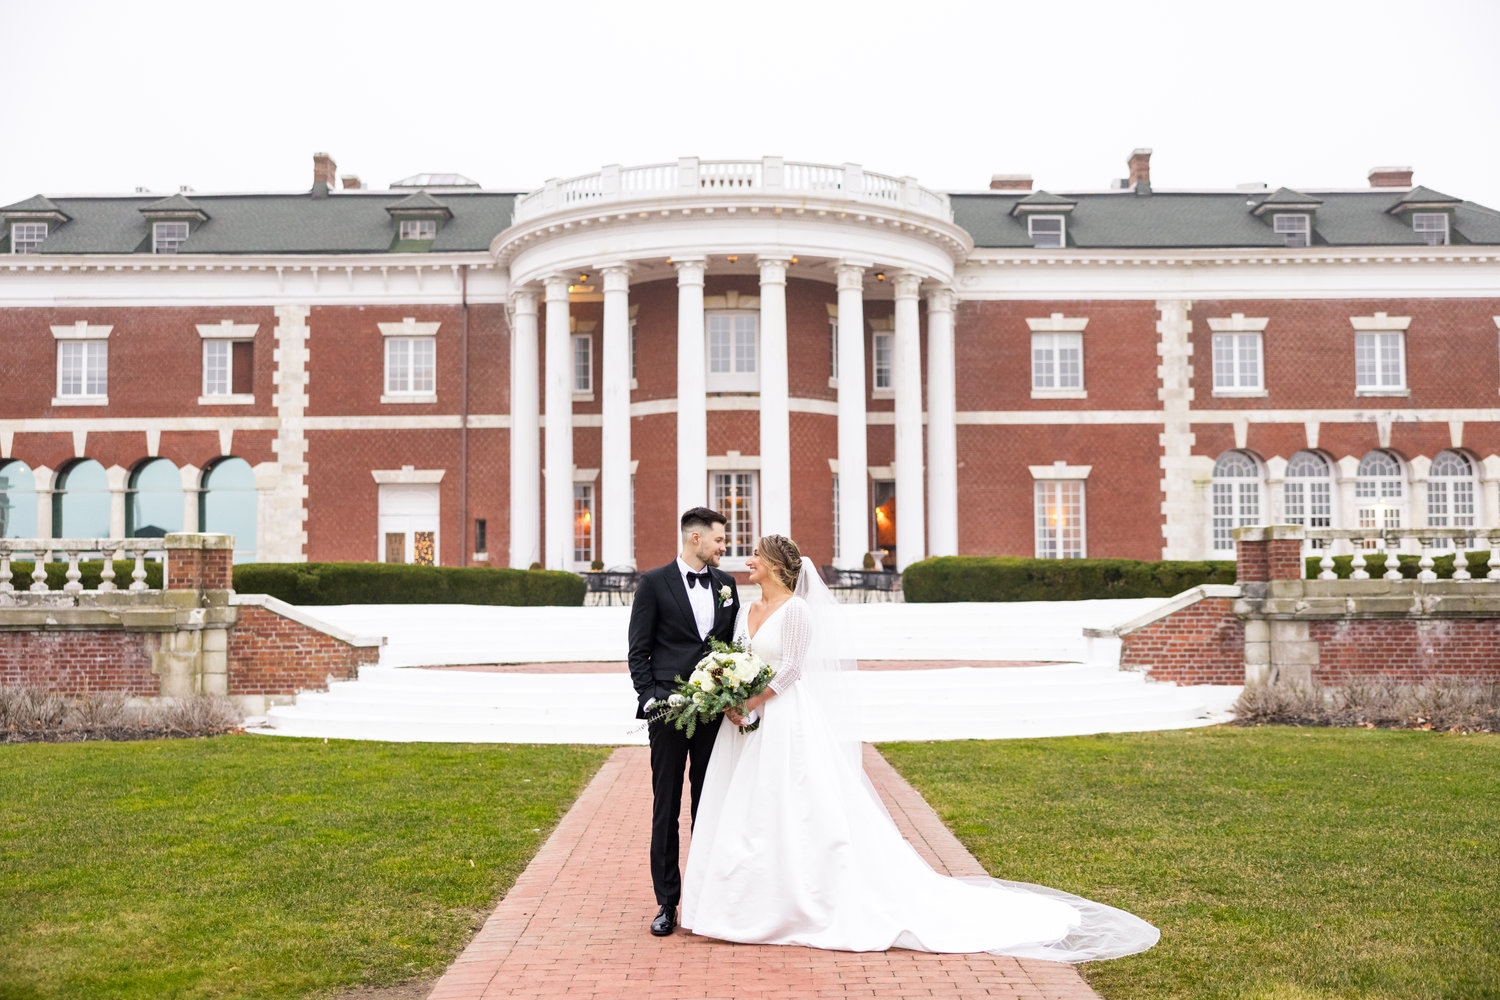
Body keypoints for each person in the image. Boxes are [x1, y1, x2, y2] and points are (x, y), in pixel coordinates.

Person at [679, 534, 1159, 962]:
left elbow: (792, 670)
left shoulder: (798, 611)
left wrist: (754, 699)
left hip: (784, 718)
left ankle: (800, 902)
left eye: (757, 557)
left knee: (795, 808)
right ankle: (745, 902)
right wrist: (730, 700)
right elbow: (736, 658)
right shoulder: (745, 609)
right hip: (745, 725)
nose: (748, 563)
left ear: (778, 566)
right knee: (745, 809)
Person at [627, 507, 741, 938]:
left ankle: (704, 896)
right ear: (695, 538)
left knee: (708, 805)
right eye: (718, 540)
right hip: (668, 712)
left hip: (713, 714)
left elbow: (729, 646)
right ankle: (667, 901)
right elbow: (638, 650)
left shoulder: (726, 586)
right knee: (666, 807)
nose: (723, 547)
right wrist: (651, 698)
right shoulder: (654, 584)